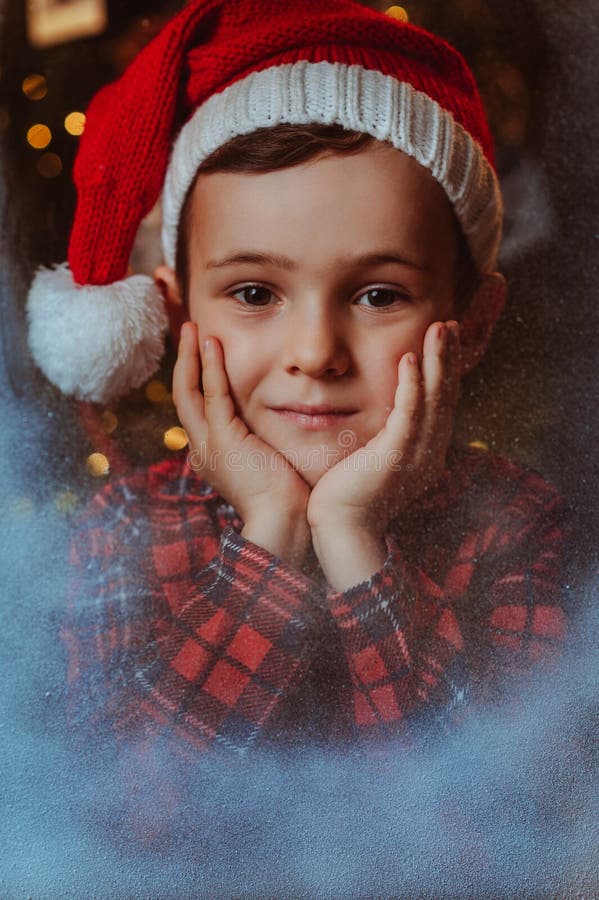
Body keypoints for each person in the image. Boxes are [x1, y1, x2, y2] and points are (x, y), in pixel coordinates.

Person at [28, 0, 570, 755]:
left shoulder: (516, 527)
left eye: (377, 295)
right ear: (181, 314)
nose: (315, 353)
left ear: (472, 322)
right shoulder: (121, 534)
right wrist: (270, 536)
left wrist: (352, 539)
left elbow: (499, 837)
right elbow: (125, 830)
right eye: (254, 294)